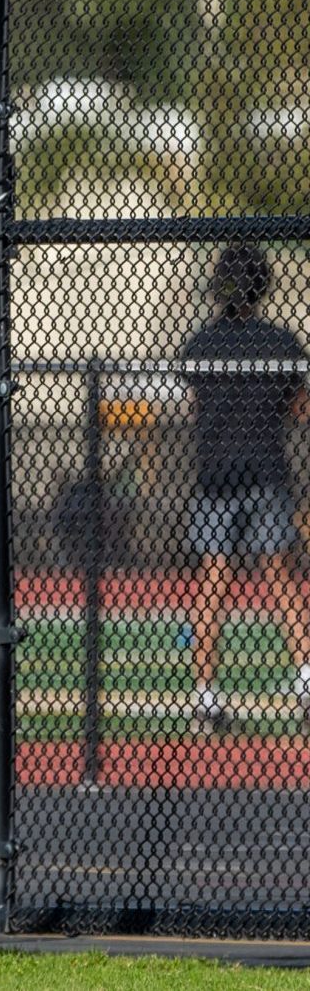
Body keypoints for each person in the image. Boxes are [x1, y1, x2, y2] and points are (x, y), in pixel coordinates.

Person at [175, 244, 310, 735]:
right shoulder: (281, 343)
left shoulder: (202, 344)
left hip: (215, 473)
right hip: (266, 467)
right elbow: (299, 408)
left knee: (214, 580)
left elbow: (194, 404)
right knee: (280, 576)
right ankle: (307, 682)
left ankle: (206, 698)